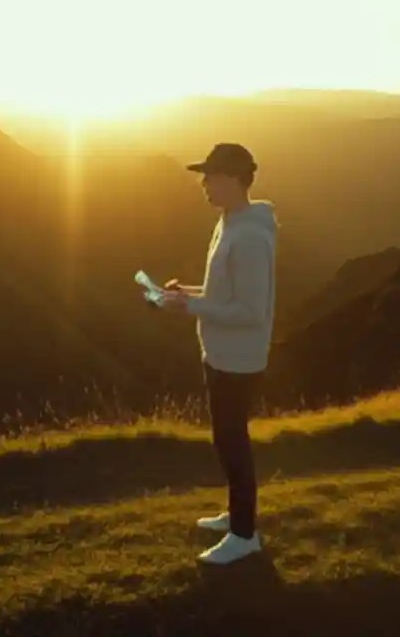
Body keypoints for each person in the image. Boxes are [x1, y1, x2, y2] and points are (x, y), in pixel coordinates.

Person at [160, 142, 278, 566]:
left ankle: (244, 535)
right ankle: (236, 516)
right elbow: (222, 295)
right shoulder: (230, 222)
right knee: (226, 441)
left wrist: (189, 307)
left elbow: (250, 311)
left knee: (233, 445)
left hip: (239, 361)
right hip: (221, 354)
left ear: (233, 179)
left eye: (211, 176)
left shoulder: (249, 237)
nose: (204, 184)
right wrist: (185, 294)